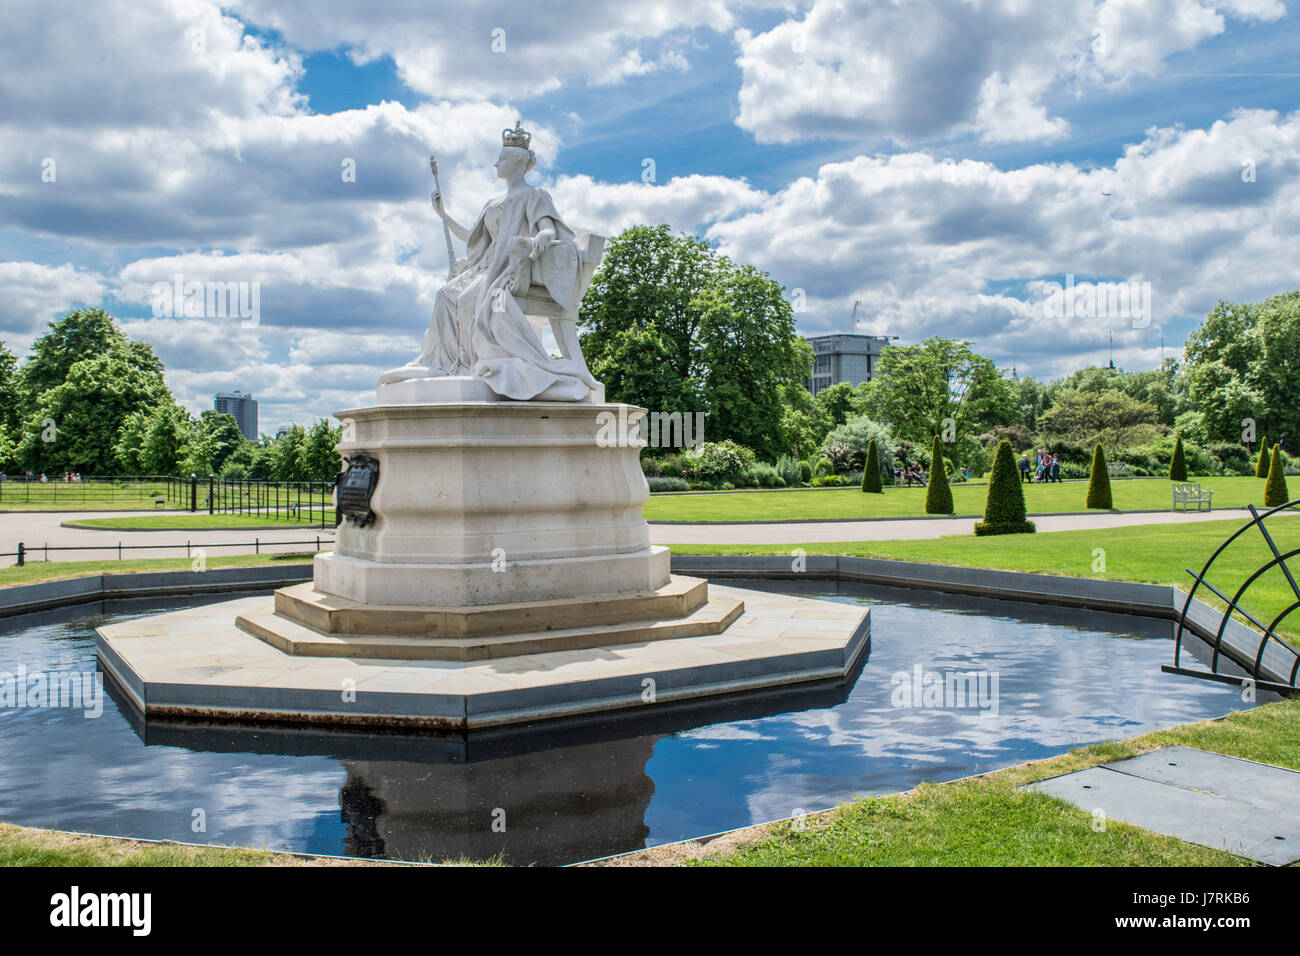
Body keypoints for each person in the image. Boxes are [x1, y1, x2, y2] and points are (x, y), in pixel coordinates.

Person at [380, 122, 597, 401]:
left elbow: (548, 227)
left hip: (510, 267)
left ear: (519, 163)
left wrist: (543, 236)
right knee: (445, 294)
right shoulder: (492, 202)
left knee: (473, 299)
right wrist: (443, 215)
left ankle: (480, 358)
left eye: (503, 158)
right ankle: (447, 362)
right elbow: (472, 238)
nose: (497, 164)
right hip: (485, 265)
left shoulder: (534, 195)